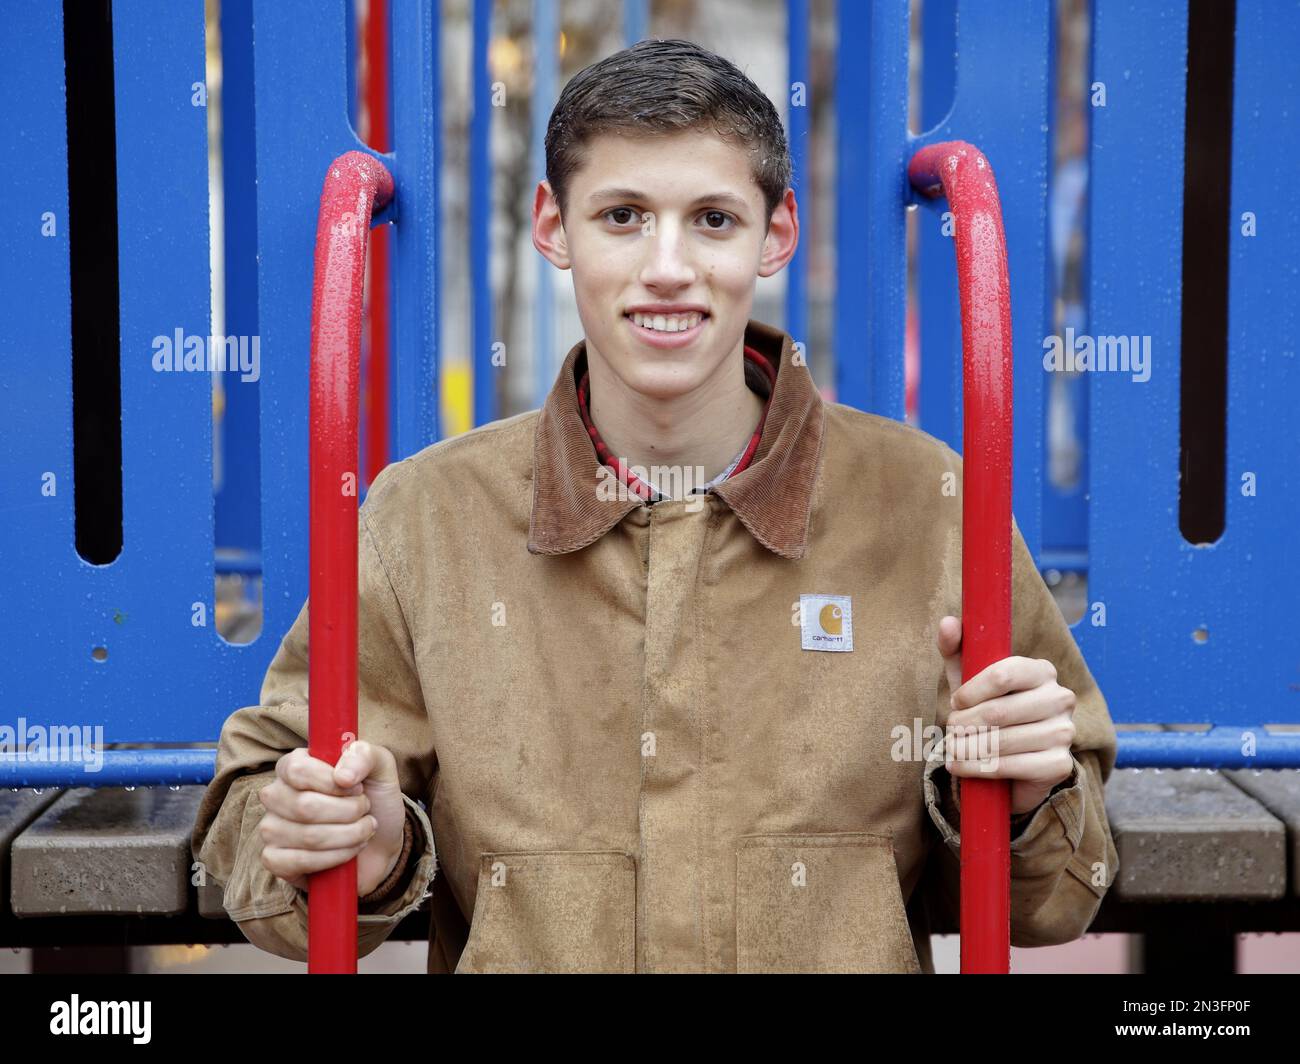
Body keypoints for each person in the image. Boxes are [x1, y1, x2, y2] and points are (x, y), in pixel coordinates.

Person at [191, 37, 1118, 974]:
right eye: (624, 215)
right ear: (553, 227)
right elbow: (259, 822)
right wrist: (358, 850)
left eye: (713, 219)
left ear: (778, 232)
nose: (668, 266)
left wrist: (1031, 796)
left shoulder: (930, 502)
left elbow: (1051, 898)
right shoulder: (425, 520)